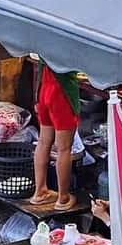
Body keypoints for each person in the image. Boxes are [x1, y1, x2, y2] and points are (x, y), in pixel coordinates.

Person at [28, 64, 80, 211]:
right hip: (62, 94)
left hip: (45, 90)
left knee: (44, 142)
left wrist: (36, 97)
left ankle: (40, 192)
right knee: (64, 149)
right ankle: (63, 198)